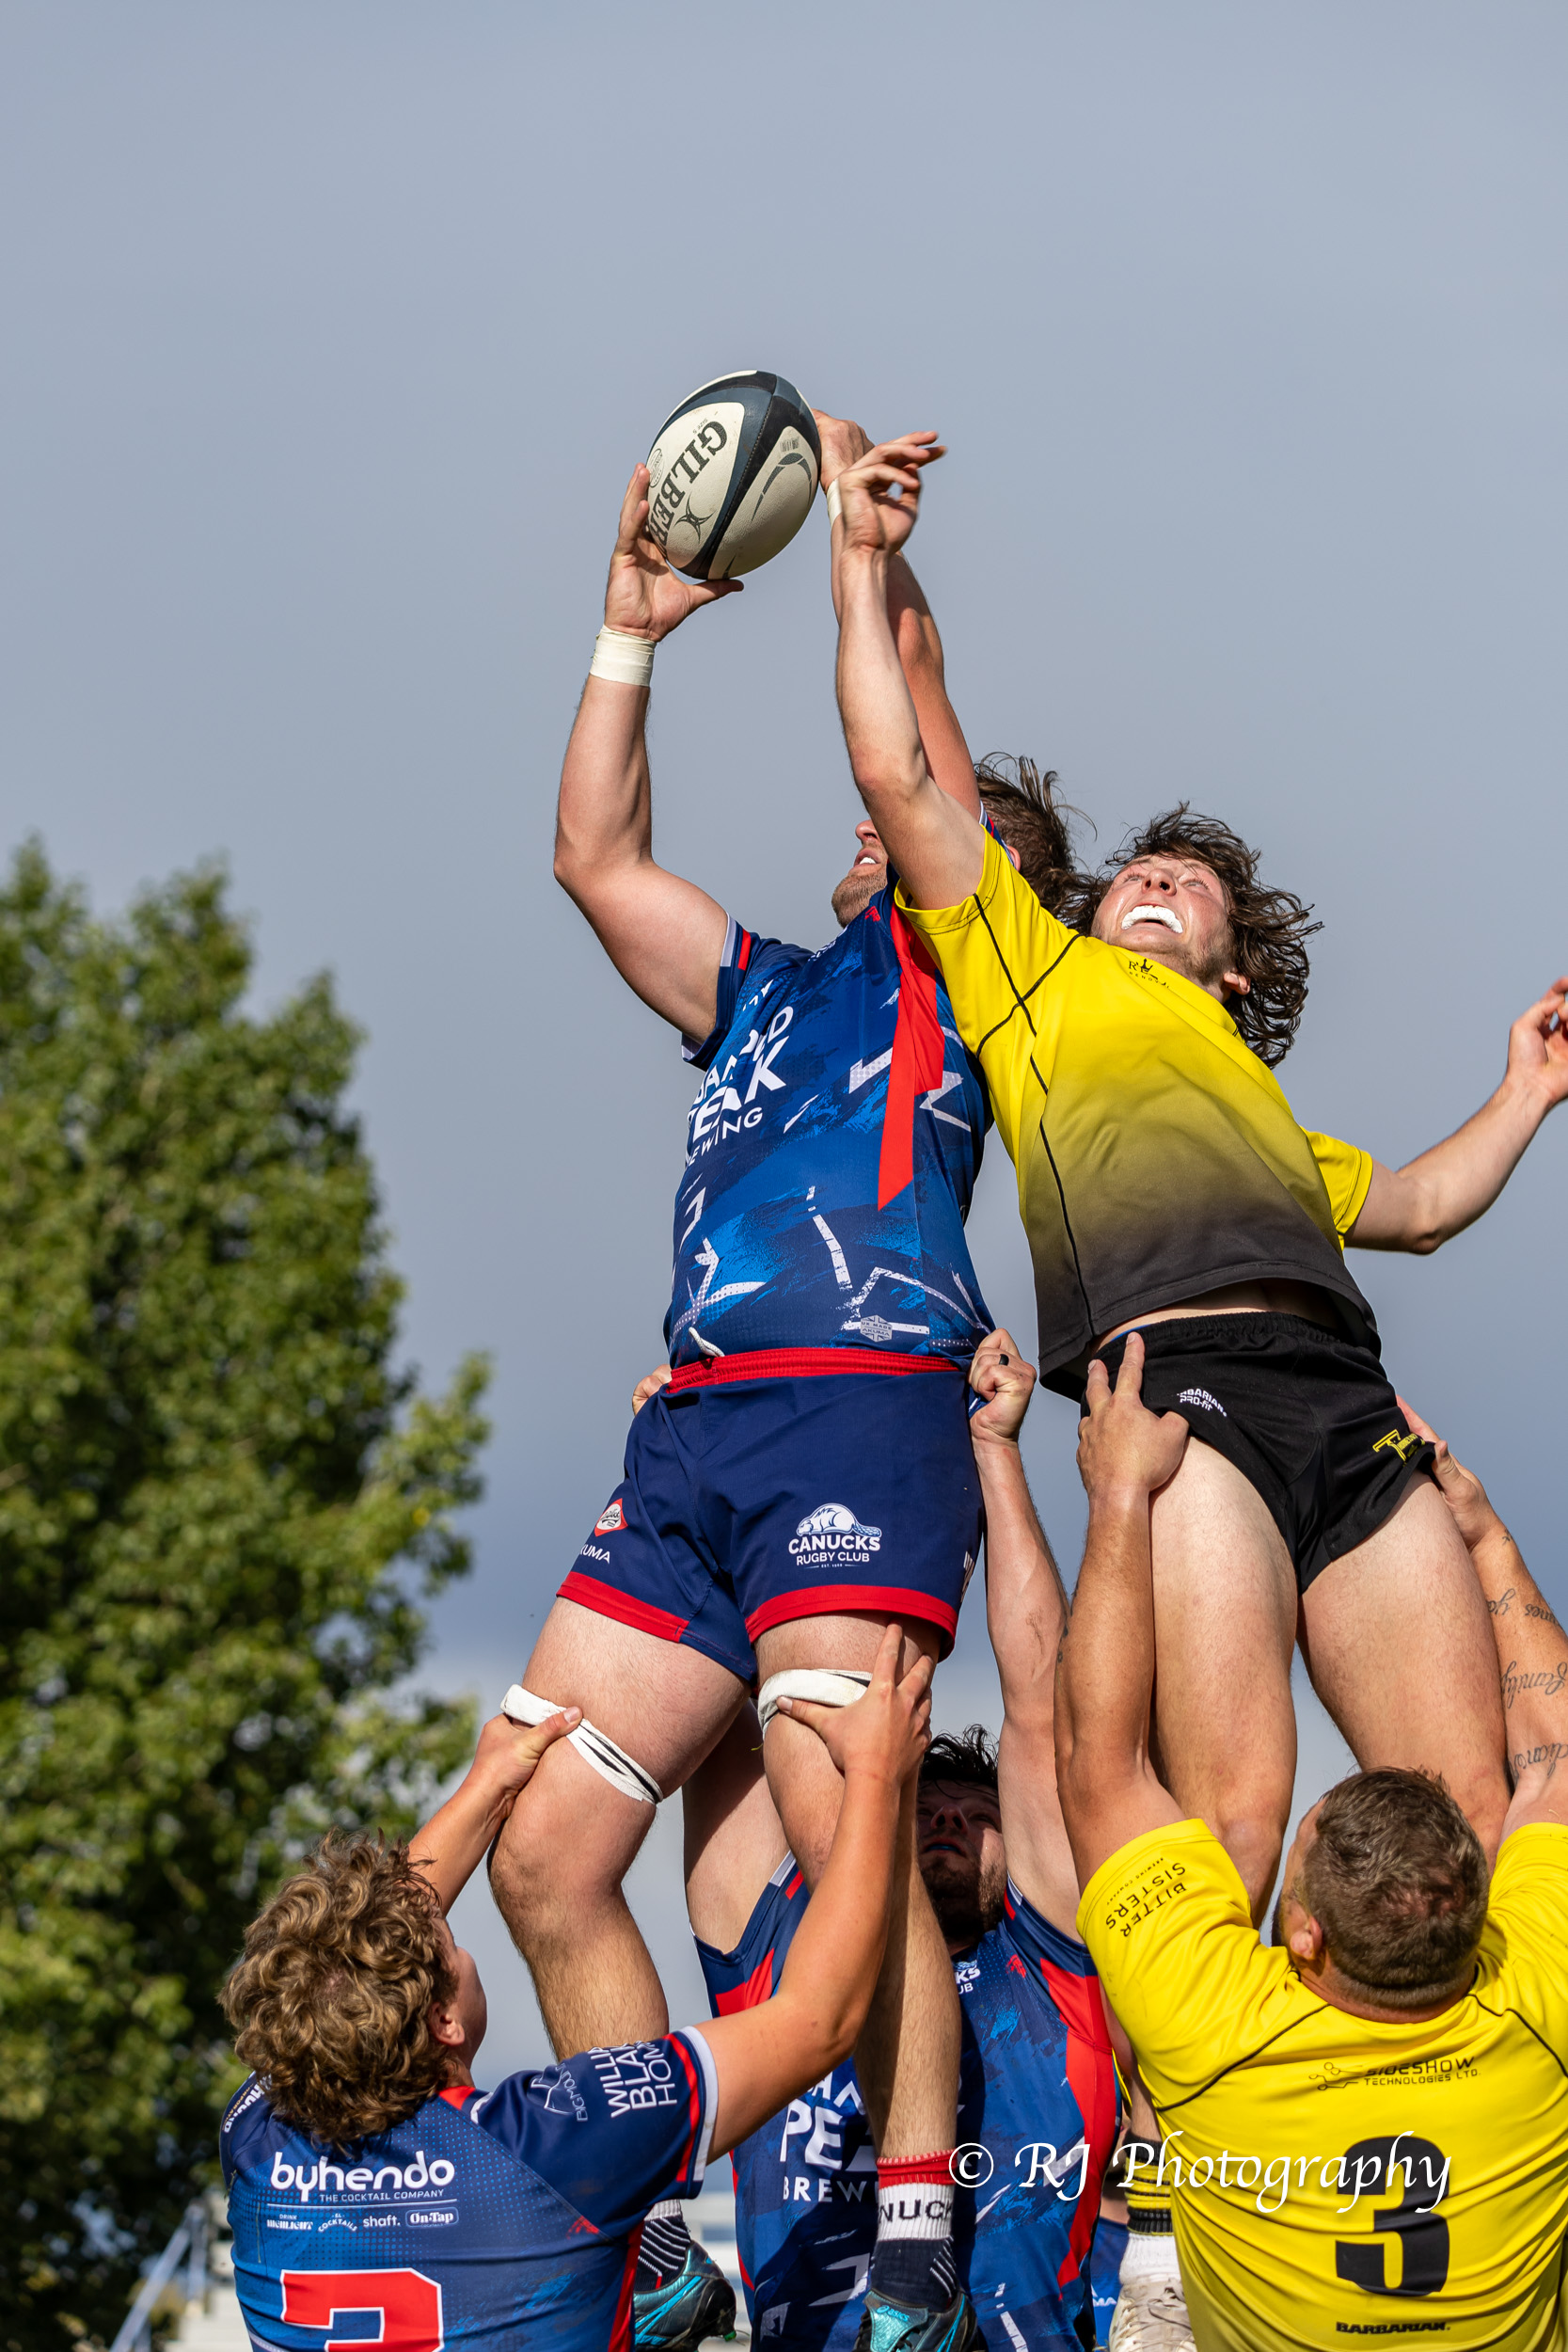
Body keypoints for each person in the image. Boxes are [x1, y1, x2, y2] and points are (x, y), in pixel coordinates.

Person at [829, 427, 1568, 1926]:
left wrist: (1525, 1089)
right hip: (1171, 1385)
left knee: (1464, 1815)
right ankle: (1177, 2156)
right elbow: (904, 751)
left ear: (1236, 972)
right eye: (1135, 875)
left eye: (1192, 882)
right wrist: (865, 562)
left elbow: (1418, 1209)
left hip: (1340, 1392)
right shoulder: (1027, 981)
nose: (1154, 881)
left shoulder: (1260, 1109)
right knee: (1226, 1819)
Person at [490, 416, 1058, 2344]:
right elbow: (590, 853)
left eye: (890, 827)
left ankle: (908, 2243)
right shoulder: (762, 986)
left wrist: (862, 566)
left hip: (854, 1401)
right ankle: (653, 2256)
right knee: (546, 1847)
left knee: (843, 1829)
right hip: (691, 1432)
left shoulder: (974, 965)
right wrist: (626, 627)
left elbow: (899, 749)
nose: (857, 836)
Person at [1053, 1334, 1568, 2352]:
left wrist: (1120, 1496)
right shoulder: (1535, 2012)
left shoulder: (1209, 2033)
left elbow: (1094, 1754)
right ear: (1473, 1912)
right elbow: (1546, 1754)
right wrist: (1486, 1541)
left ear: (1301, 1938)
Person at [218, 1630, 931, 2352]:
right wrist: (875, 1776)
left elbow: (336, 1982)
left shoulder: (261, 2138)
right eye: (451, 1948)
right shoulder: (555, 2143)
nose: (450, 1933)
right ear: (444, 2023)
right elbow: (818, 2019)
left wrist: (486, 1785)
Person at [678, 1328, 1119, 2351]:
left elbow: (1042, 1701)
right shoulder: (778, 1946)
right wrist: (701, 1460)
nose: (950, 1826)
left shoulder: (1053, 1962)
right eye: (924, 1807)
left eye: (976, 1816)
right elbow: (714, 1733)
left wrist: (996, 1453)